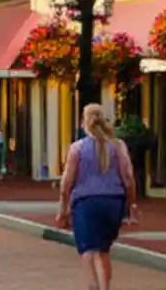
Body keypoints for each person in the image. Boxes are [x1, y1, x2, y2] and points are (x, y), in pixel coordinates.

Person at [56, 103, 139, 290]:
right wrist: (132, 206)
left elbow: (66, 182)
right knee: (103, 249)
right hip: (113, 202)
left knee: (88, 249)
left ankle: (92, 285)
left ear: (83, 123)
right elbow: (128, 178)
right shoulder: (118, 146)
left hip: (86, 202)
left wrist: (63, 209)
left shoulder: (77, 148)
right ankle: (104, 286)